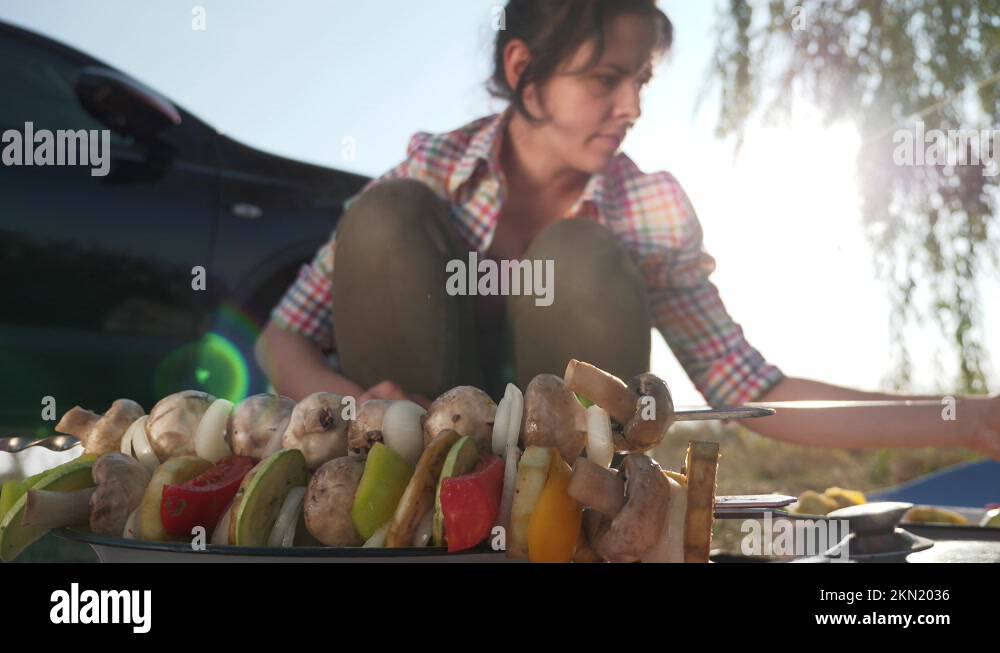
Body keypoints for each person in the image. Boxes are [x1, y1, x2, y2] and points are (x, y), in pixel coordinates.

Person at [255, 0, 1000, 459]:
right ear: (524, 70)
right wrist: (350, 403)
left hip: (564, 482)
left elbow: (754, 388)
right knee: (384, 220)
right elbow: (280, 336)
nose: (632, 107)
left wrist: (973, 420)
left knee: (578, 254)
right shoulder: (431, 169)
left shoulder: (648, 209)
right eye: (605, 80)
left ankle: (576, 525)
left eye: (641, 79)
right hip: (408, 455)